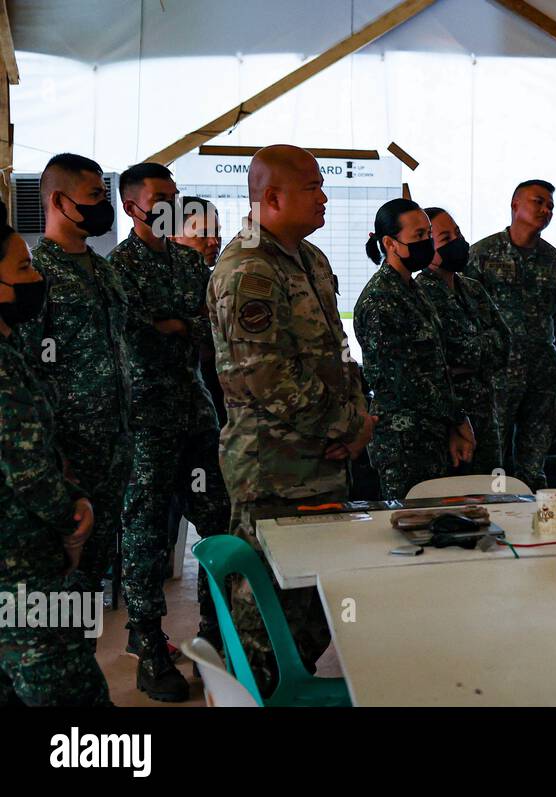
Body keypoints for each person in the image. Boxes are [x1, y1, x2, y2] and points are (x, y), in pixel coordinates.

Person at [207, 144, 376, 696]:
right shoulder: (248, 269)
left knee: (308, 620)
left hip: (321, 467)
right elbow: (262, 376)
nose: (324, 196)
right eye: (313, 187)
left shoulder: (309, 259)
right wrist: (343, 427)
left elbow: (336, 352)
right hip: (274, 469)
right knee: (265, 623)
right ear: (273, 197)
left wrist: (356, 417)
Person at [108, 164, 231, 702]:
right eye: (161, 198)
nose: (172, 207)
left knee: (216, 521)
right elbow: (134, 329)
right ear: (133, 206)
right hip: (146, 423)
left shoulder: (187, 262)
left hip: (195, 416)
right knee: (146, 536)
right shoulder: (119, 268)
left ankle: (213, 634)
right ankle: (151, 647)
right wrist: (176, 323)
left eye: (176, 197)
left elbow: (206, 326)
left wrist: (176, 323)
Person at [0, 218, 112, 707]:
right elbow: (28, 468)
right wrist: (71, 520)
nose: (34, 278)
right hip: (25, 577)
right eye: (22, 268)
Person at [12, 154, 131, 612]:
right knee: (58, 585)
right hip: (68, 457)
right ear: (60, 201)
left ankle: (83, 657)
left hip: (115, 448)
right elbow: (26, 373)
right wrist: (54, 458)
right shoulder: (35, 276)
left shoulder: (105, 271)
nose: (106, 206)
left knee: (90, 582)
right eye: (96, 196)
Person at [355, 199, 474, 499]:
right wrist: (457, 418)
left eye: (428, 235)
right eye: (418, 236)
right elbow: (405, 380)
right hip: (402, 441)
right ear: (390, 243)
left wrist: (451, 424)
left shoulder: (414, 289)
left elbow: (435, 365)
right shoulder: (380, 300)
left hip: (431, 433)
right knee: (408, 529)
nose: (427, 243)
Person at [464, 180, 556, 490]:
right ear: (515, 206)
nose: (545, 210)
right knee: (492, 460)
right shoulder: (482, 255)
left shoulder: (555, 262)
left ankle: (533, 519)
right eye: (538, 202)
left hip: (541, 374)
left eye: (550, 206)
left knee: (534, 461)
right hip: (497, 375)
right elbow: (465, 313)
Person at [416, 207, 510, 476]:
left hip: (485, 416)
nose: (458, 242)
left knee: (492, 496)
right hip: (447, 421)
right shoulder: (420, 293)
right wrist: (475, 350)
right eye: (446, 239)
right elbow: (442, 357)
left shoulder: (472, 288)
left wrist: (470, 354)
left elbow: (504, 342)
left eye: (458, 233)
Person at [172, 195, 226, 427]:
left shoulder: (216, 278)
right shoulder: (161, 282)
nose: (213, 241)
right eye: (202, 234)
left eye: (217, 233)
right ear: (173, 236)